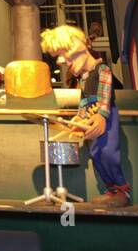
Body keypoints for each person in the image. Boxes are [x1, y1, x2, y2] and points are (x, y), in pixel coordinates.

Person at [40, 24, 130, 207]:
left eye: (63, 53)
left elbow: (105, 94)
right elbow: (84, 100)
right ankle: (111, 189)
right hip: (91, 120)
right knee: (96, 154)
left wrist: (101, 116)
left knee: (108, 153)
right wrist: (79, 117)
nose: (60, 62)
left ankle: (122, 189)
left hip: (104, 119)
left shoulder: (102, 69)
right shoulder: (83, 78)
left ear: (77, 47)